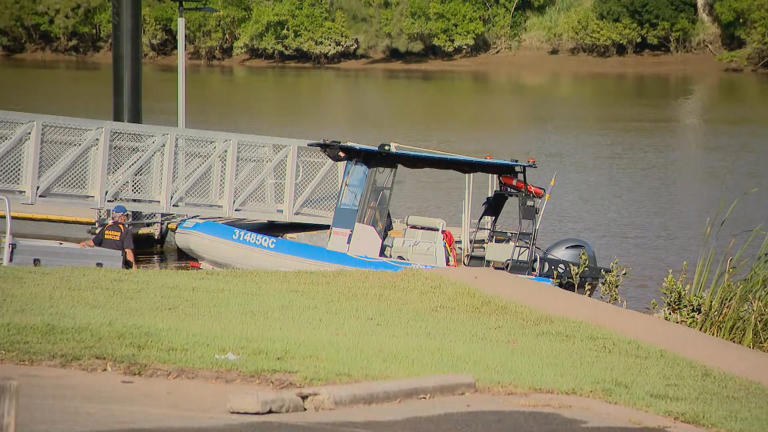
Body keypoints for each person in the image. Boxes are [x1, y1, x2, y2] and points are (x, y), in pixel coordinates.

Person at [80, 205, 136, 269]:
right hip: (118, 262)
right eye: (125, 216)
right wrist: (134, 267)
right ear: (121, 217)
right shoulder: (125, 231)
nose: (126, 218)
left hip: (104, 261)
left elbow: (93, 242)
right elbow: (128, 251)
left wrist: (84, 243)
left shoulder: (106, 228)